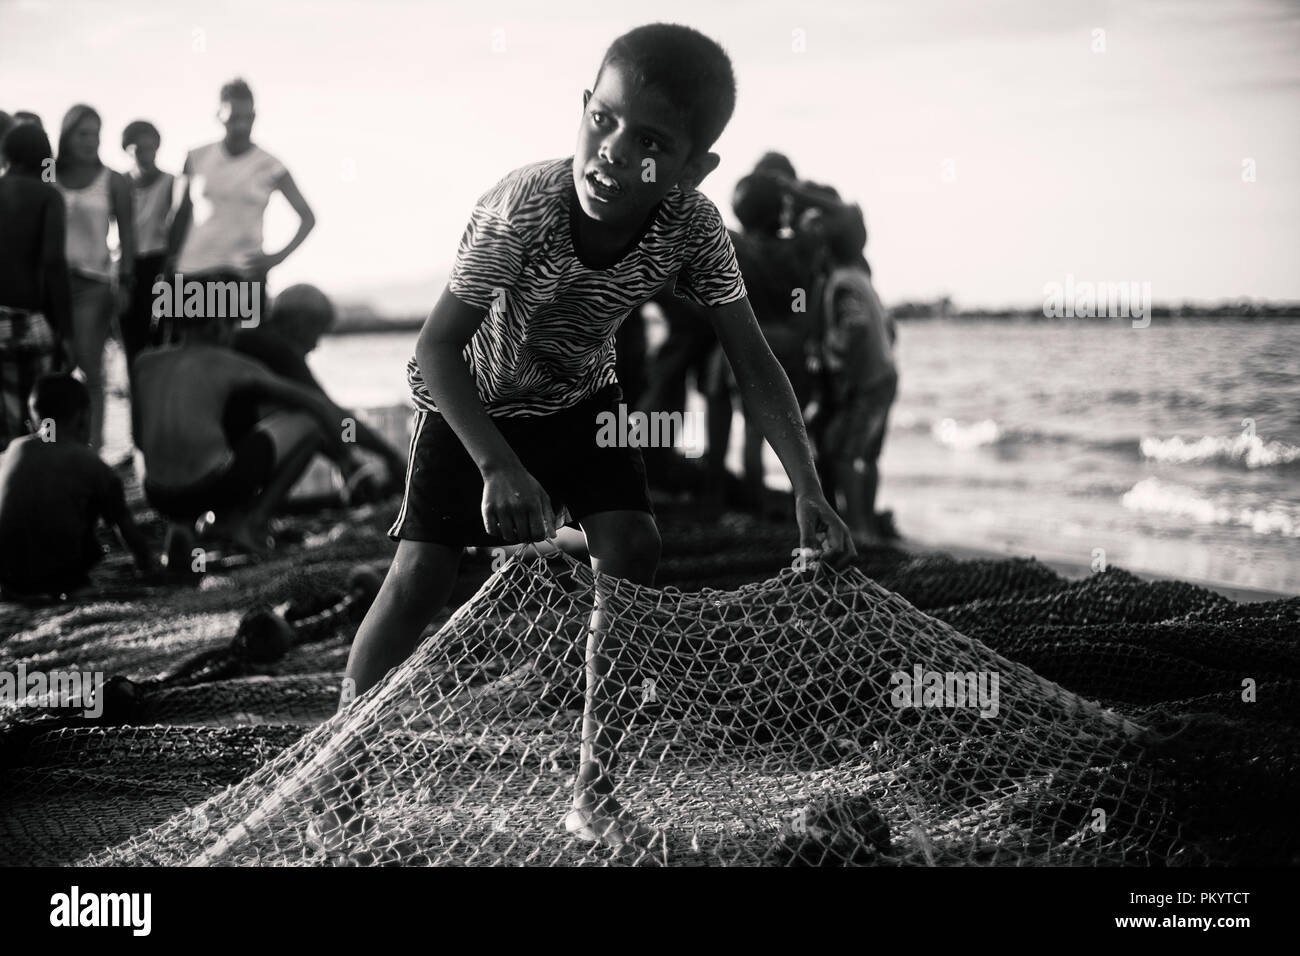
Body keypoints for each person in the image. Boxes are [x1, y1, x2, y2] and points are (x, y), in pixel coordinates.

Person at [317, 23, 855, 855]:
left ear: (691, 167)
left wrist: (810, 490)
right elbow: (434, 348)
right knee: (424, 572)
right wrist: (496, 464)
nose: (611, 152)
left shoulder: (691, 228)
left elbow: (751, 360)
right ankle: (340, 774)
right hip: (474, 394)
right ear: (582, 107)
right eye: (601, 119)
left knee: (634, 545)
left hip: (579, 396)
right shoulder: (521, 207)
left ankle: (593, 786)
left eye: (649, 141)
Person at [134, 311, 349, 564]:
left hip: (157, 495)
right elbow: (317, 404)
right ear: (216, 327)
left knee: (214, 437)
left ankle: (181, 524)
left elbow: (139, 439)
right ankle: (252, 523)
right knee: (309, 425)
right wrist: (348, 458)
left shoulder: (144, 362)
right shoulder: (229, 362)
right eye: (231, 325)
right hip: (212, 486)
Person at [168, 78, 315, 336]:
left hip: (245, 276)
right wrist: (167, 266)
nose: (241, 125)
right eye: (233, 118)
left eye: (248, 117)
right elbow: (179, 214)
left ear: (255, 115)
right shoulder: (195, 157)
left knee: (244, 351)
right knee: (185, 351)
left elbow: (308, 218)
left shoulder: (271, 165)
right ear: (219, 116)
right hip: (191, 273)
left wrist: (276, 259)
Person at [233, 284, 407, 501]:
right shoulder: (278, 351)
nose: (316, 345)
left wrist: (343, 453)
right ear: (300, 323)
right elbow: (329, 413)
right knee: (312, 423)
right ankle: (253, 520)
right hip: (231, 458)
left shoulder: (253, 339)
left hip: (221, 452)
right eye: (317, 333)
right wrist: (386, 454)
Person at [0, 374, 153, 600]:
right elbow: (125, 527)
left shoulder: (13, 449)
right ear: (82, 417)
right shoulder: (91, 463)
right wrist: (147, 566)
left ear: (34, 418)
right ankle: (75, 586)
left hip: (7, 575)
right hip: (59, 574)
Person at [53, 104, 136, 454]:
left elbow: (129, 237)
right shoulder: (47, 173)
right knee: (54, 367)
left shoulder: (112, 180)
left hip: (94, 283)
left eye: (96, 133)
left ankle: (94, 451)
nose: (91, 140)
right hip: (50, 285)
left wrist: (126, 282)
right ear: (67, 135)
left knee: (91, 370)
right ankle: (50, 446)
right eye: (83, 133)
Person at [813, 210, 898, 545]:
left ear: (826, 252)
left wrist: (830, 351)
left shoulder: (841, 283)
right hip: (887, 375)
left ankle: (860, 528)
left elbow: (857, 324)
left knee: (844, 453)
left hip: (866, 383)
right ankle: (868, 521)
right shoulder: (864, 278)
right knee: (870, 454)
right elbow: (890, 328)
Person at [0, 123, 73, 449]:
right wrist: (66, 331)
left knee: (5, 416)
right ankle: (37, 475)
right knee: (43, 416)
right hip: (30, 321)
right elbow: (53, 262)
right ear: (44, 157)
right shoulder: (48, 196)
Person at [119, 120, 175, 410]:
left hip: (160, 266)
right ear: (128, 149)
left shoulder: (171, 183)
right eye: (139, 147)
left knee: (161, 340)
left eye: (151, 146)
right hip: (127, 267)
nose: (145, 153)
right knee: (132, 344)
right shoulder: (120, 184)